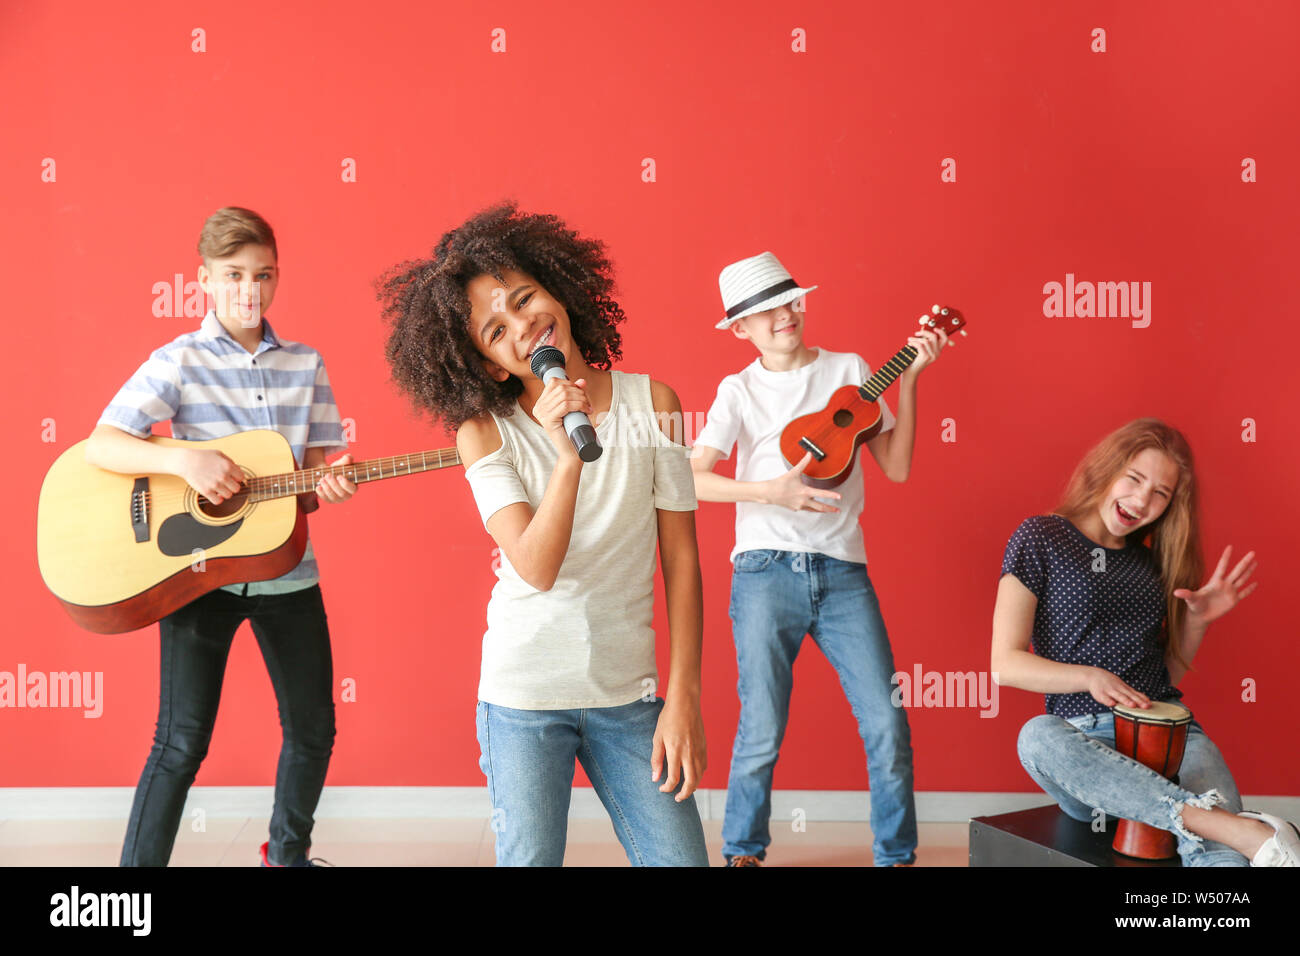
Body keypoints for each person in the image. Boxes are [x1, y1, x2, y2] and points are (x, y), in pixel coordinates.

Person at [378, 201, 709, 866]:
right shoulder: (484, 433)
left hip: (630, 694)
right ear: (492, 365)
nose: (524, 325)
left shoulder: (658, 404)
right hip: (524, 697)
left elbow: (681, 557)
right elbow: (535, 565)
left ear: (559, 290)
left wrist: (685, 698)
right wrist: (565, 455)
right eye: (497, 331)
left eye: (526, 298)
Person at [86, 207, 355, 867]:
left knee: (314, 730)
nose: (249, 291)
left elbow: (316, 472)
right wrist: (184, 460)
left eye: (263, 276)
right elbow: (103, 444)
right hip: (196, 576)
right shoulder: (176, 362)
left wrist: (334, 483)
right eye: (233, 275)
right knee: (180, 741)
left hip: (288, 572)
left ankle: (286, 856)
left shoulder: (306, 364)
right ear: (203, 278)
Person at [690, 251, 949, 866]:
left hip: (841, 571)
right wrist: (768, 492)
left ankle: (896, 856)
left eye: (788, 300)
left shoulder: (851, 371)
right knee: (762, 726)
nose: (784, 314)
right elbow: (693, 478)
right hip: (762, 572)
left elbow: (899, 465)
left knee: (887, 723)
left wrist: (911, 380)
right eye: (765, 311)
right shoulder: (738, 389)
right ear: (740, 330)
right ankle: (742, 853)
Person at [992, 417, 1298, 866]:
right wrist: (1089, 677)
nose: (1141, 500)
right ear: (1106, 469)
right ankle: (1224, 824)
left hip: (1171, 737)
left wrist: (1197, 621)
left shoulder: (1152, 563)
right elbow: (1004, 664)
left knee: (1226, 861)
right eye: (1134, 479)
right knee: (1035, 737)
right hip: (1083, 747)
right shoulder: (1041, 538)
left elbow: (1163, 677)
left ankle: (1209, 831)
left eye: (1161, 493)